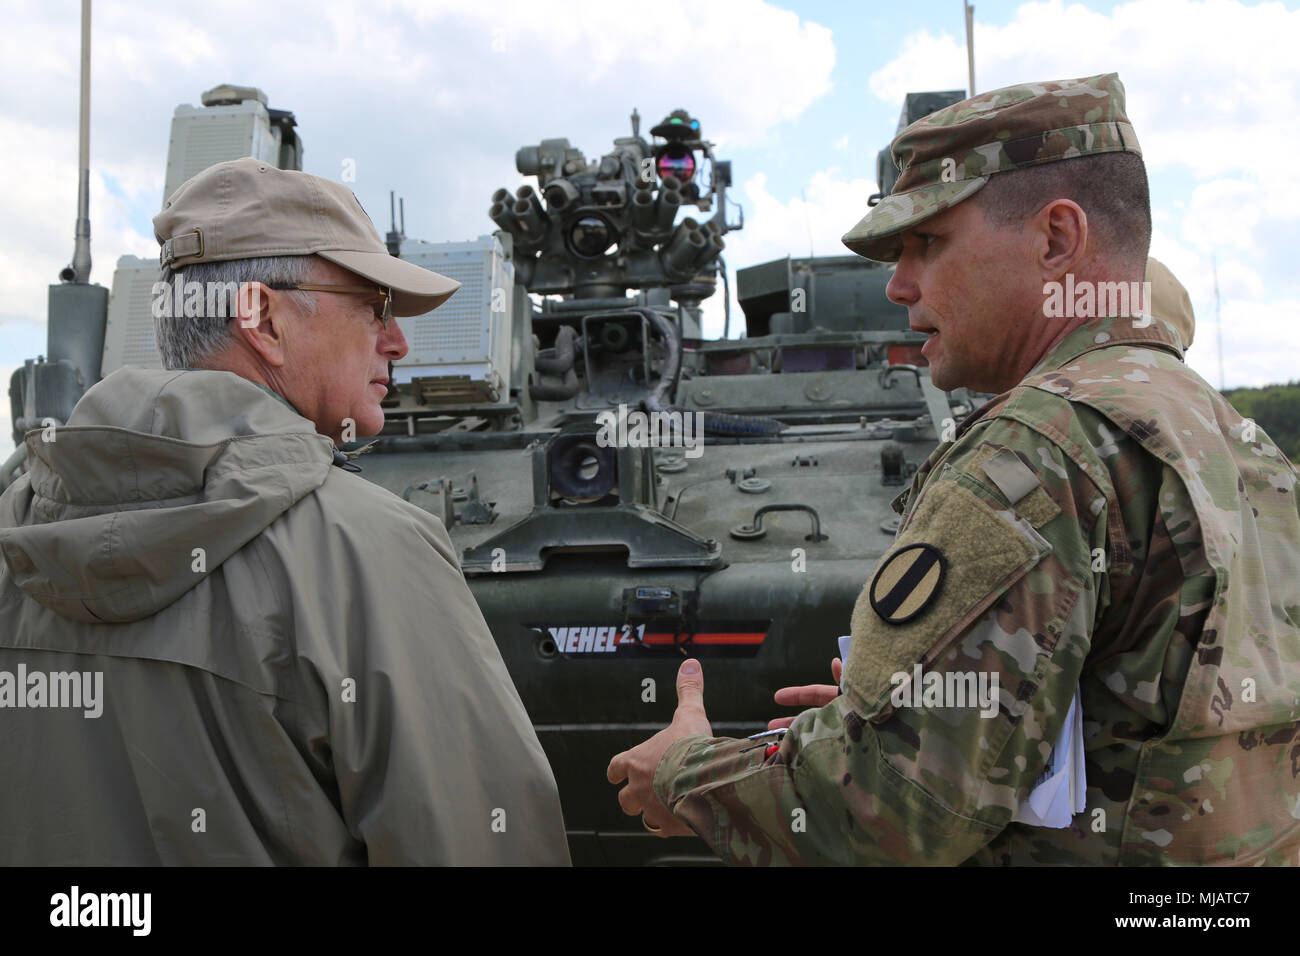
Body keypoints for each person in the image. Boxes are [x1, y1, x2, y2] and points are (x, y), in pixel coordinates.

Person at [608, 73, 1300, 865]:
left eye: (927, 243)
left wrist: (689, 774)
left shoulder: (1038, 448)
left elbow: (893, 816)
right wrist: (940, 721)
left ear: (1057, 239)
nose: (899, 285)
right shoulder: (1235, 438)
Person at [0, 157, 570, 865]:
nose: (398, 342)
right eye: (374, 306)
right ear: (263, 317)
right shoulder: (367, 552)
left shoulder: (18, 531)